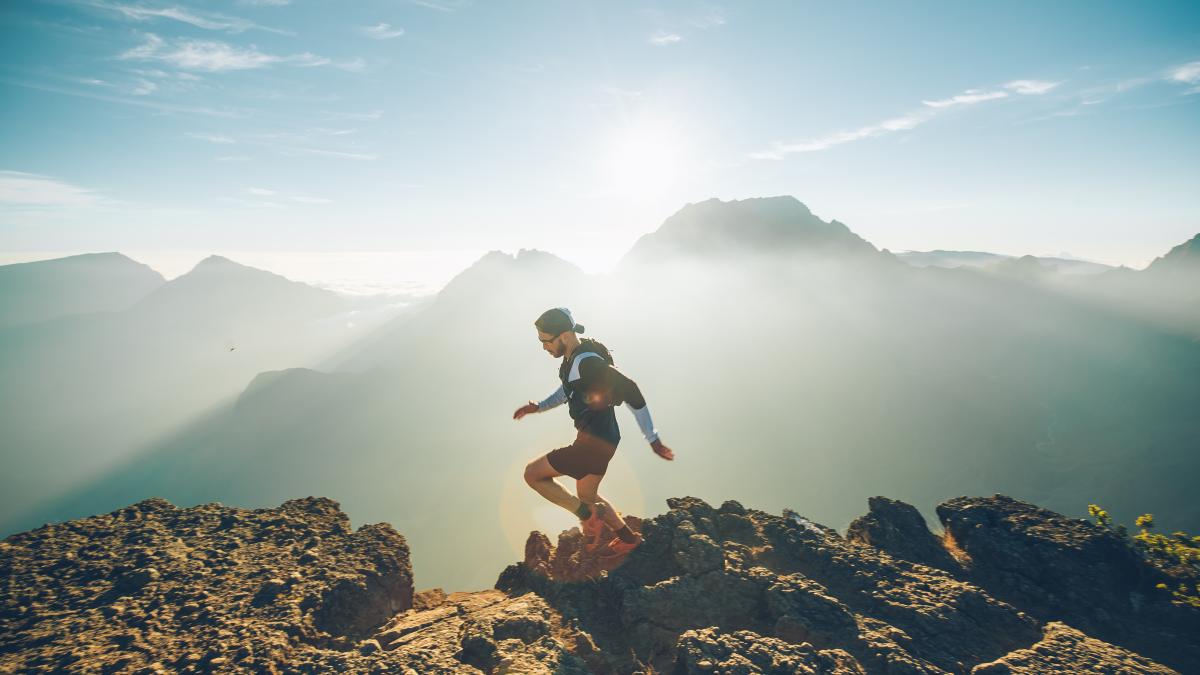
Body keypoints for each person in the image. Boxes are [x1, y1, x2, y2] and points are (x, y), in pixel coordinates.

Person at [514, 307, 674, 556]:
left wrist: (652, 438)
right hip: (606, 439)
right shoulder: (572, 359)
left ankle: (587, 516)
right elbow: (567, 389)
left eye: (546, 341)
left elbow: (630, 389)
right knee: (588, 494)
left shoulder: (587, 363)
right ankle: (628, 539)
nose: (544, 347)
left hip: (592, 445)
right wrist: (539, 406)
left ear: (564, 335)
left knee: (532, 474)